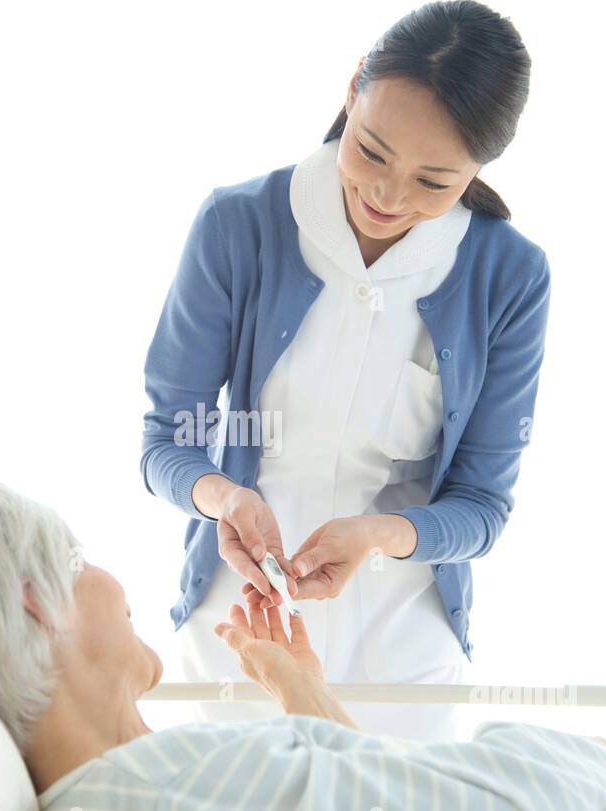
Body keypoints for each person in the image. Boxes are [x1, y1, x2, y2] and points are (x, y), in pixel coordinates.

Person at [0, 475, 606, 811]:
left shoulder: (124, 803)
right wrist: (604, 757)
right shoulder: (173, 793)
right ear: (34, 607)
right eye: (79, 559)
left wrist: (308, 698)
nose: (112, 579)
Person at [140, 1, 551, 742]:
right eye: (372, 151)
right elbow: (167, 438)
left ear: (480, 167)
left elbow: (482, 506)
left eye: (434, 183)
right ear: (354, 84)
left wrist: (380, 533)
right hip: (241, 623)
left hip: (406, 645)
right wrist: (220, 497)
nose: (388, 198)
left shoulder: (508, 275)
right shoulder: (239, 226)